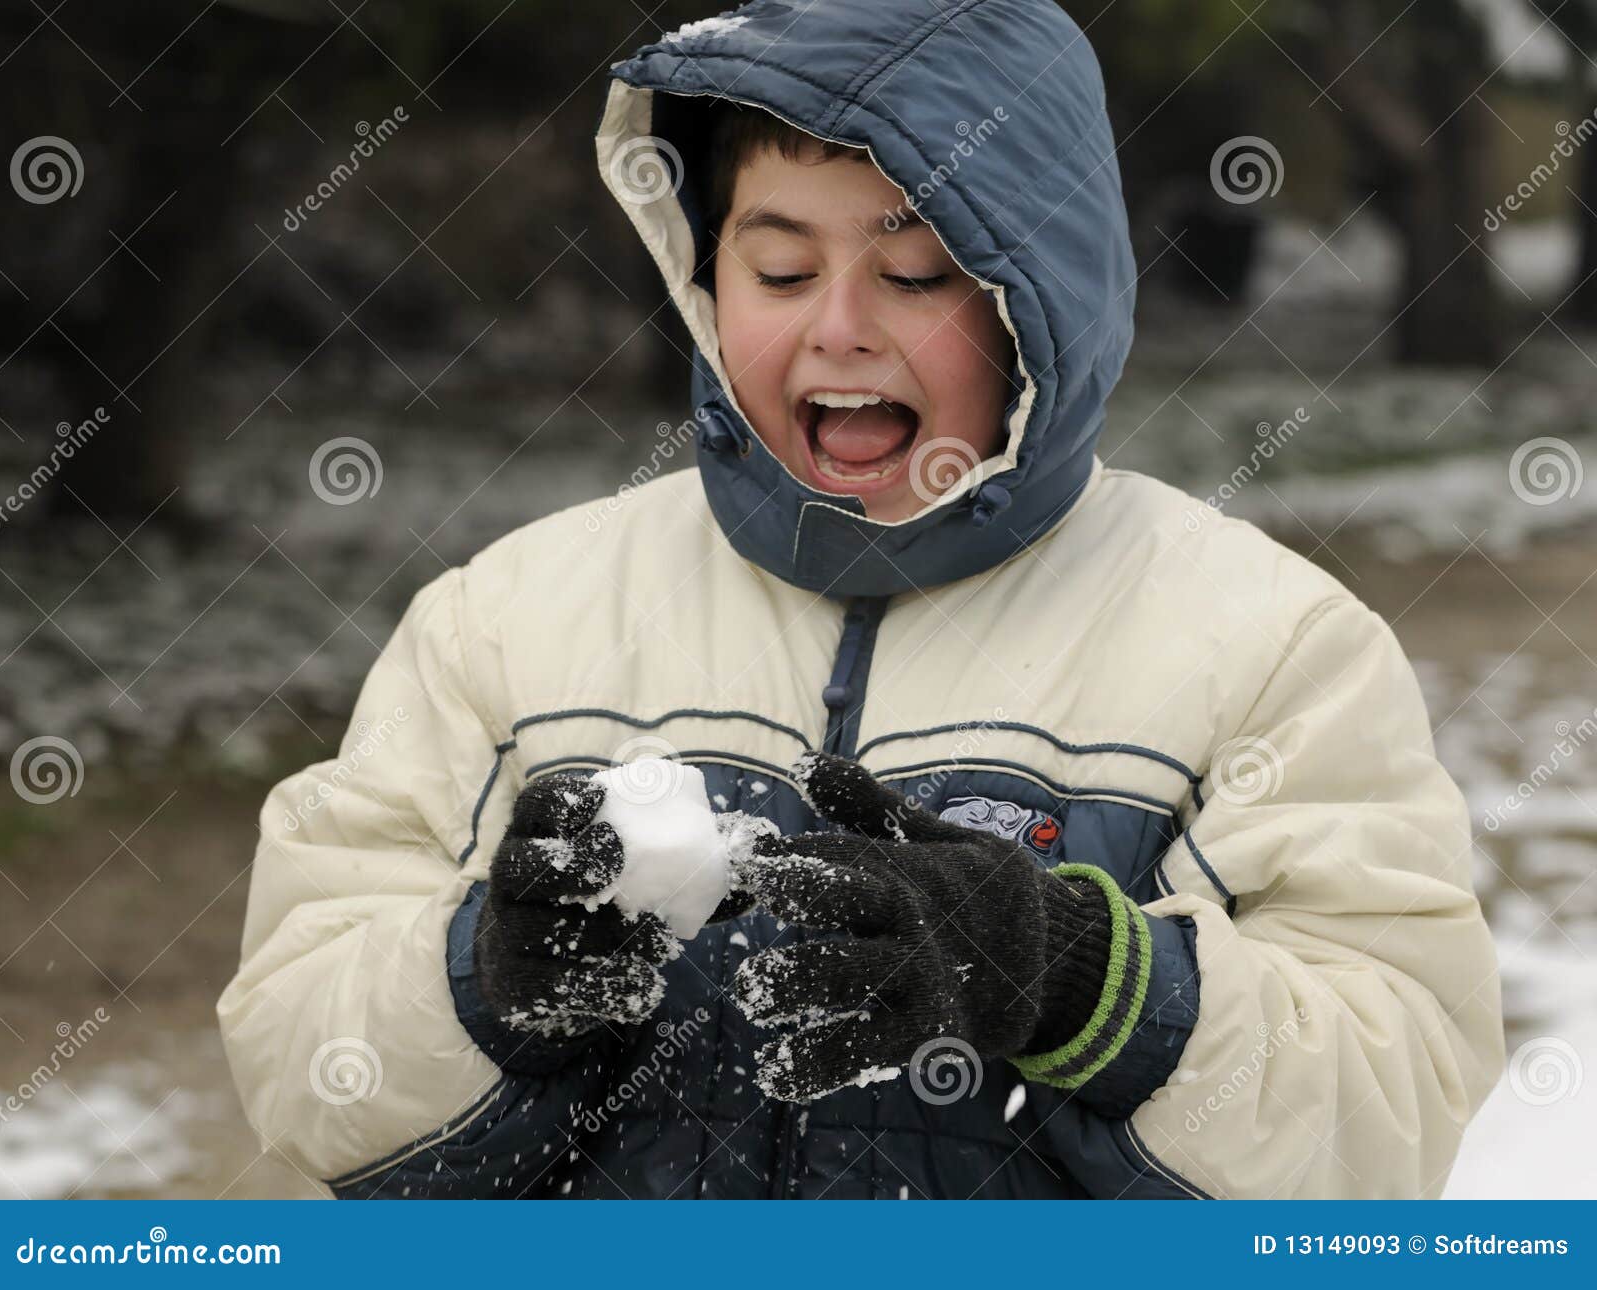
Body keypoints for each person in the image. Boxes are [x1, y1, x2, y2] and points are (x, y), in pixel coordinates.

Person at [217, 0, 1504, 1199]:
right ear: (705, 281)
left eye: (917, 275)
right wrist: (482, 984)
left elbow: (1391, 1120)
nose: (837, 329)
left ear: (1040, 303)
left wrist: (1083, 982)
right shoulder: (507, 619)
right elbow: (297, 1059)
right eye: (778, 273)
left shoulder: (1268, 645)